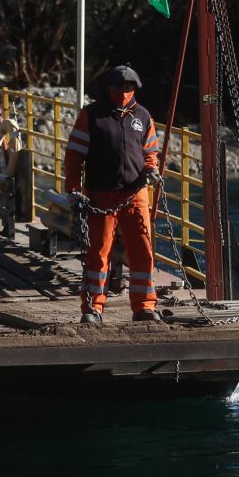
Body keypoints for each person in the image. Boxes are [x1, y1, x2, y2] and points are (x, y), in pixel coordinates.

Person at [64, 65, 163, 324]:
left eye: (129, 87)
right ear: (108, 87)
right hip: (100, 196)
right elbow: (74, 156)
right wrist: (73, 189)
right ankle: (92, 308)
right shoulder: (91, 115)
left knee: (142, 252)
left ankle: (144, 307)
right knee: (98, 253)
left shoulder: (143, 116)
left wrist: (151, 169)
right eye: (119, 86)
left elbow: (150, 152)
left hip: (135, 195)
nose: (123, 91)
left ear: (135, 88)